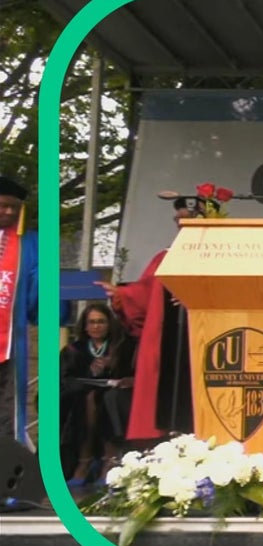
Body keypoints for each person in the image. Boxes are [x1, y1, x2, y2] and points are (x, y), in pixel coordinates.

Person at [98, 190, 227, 441]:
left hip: (212, 338)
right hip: (172, 342)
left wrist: (199, 294)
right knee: (169, 401)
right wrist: (123, 295)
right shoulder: (166, 257)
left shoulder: (225, 256)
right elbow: (145, 293)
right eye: (177, 220)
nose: (180, 225)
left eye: (185, 219)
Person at [0, 176, 69, 445]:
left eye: (14, 208)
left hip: (9, 346)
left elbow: (42, 283)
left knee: (7, 410)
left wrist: (52, 311)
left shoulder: (30, 243)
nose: (8, 212)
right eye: (3, 206)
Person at [59, 302, 135, 487]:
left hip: (116, 395)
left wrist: (116, 370)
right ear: (85, 326)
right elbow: (64, 379)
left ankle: (107, 460)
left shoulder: (122, 347)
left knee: (105, 400)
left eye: (101, 322)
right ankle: (85, 459)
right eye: (91, 322)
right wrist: (90, 372)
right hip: (82, 396)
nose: (96, 326)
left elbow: (135, 374)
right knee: (88, 399)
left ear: (109, 324)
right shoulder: (74, 350)